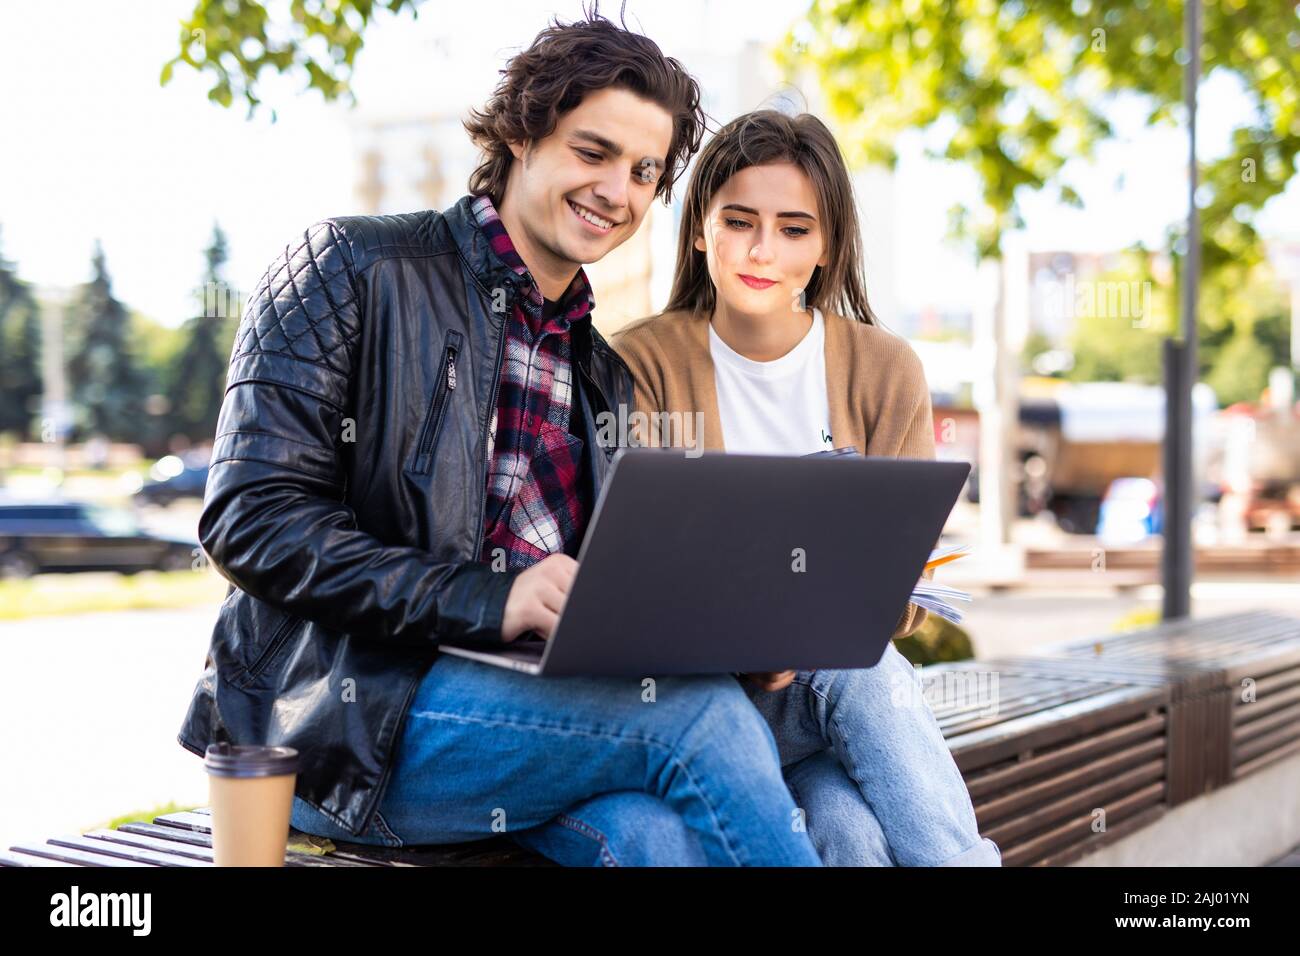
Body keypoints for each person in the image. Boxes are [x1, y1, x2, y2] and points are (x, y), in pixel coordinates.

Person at [177, 6, 826, 866]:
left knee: (653, 835)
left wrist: (723, 637)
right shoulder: (349, 266)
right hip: (347, 726)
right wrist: (493, 599)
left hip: (537, 716)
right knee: (698, 718)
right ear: (522, 133)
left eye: (644, 171)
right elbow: (251, 521)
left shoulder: (605, 372)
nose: (617, 192)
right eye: (592, 153)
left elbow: (609, 592)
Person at [609, 109, 1002, 866]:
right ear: (698, 230)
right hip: (695, 703)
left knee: (850, 831)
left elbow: (908, 602)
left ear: (826, 247)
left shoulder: (886, 370)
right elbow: (635, 575)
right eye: (739, 221)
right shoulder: (639, 364)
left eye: (794, 229)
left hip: (820, 708)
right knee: (863, 675)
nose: (763, 251)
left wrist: (833, 610)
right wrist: (743, 637)